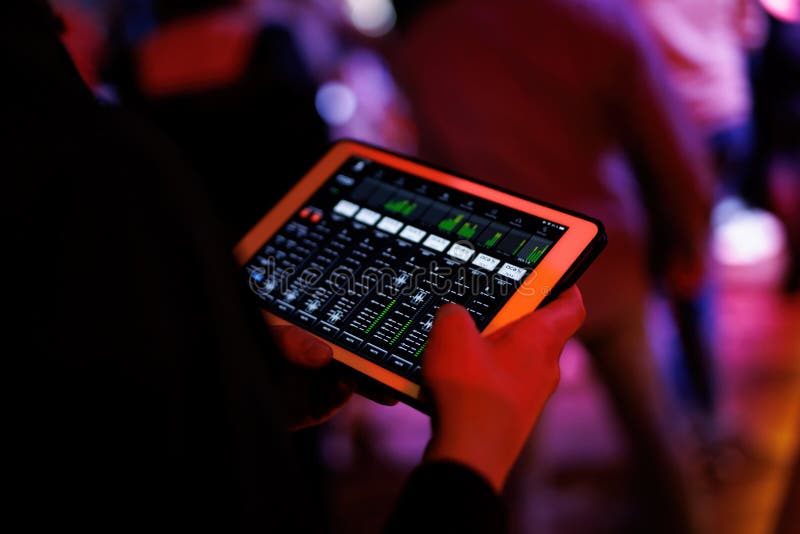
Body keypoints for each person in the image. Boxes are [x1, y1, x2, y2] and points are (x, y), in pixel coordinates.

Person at [4, 1, 586, 532]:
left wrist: (221, 406)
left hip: (256, 287)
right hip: (281, 257)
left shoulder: (121, 77)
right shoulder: (91, 151)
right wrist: (475, 444)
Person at [390, 0, 714, 531]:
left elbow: (435, 166)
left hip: (498, 270)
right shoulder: (594, 16)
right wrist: (689, 239)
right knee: (653, 426)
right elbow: (669, 140)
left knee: (500, 453)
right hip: (602, 256)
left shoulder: (432, 36)